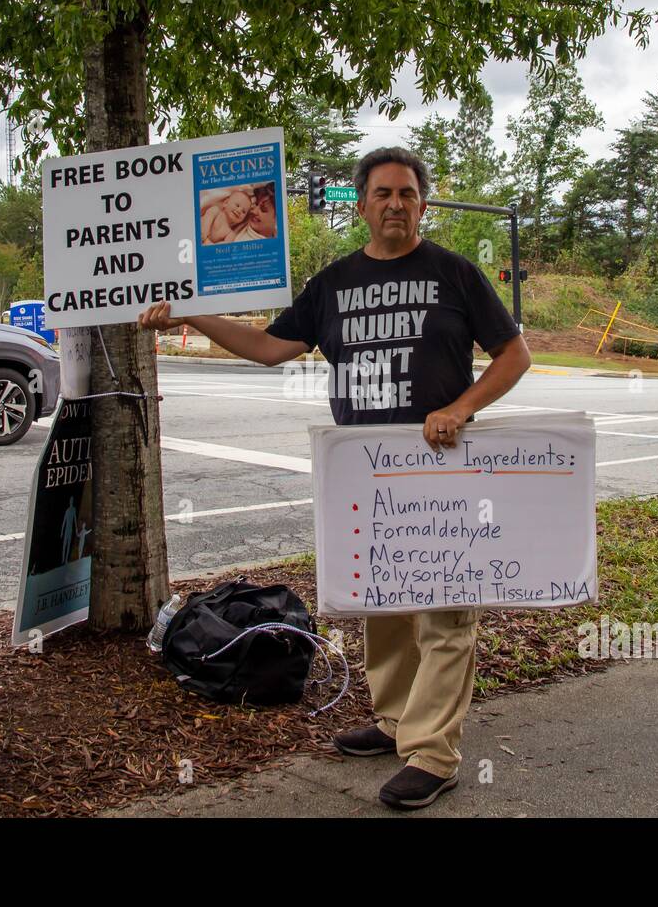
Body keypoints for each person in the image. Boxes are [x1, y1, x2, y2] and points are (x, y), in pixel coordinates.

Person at [138, 147, 531, 810]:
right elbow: (268, 348)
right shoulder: (335, 283)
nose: (396, 204)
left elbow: (514, 354)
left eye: (408, 193)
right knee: (383, 603)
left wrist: (461, 408)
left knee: (442, 611)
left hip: (439, 468)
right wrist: (190, 313)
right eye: (383, 194)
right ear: (364, 204)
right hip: (364, 469)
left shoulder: (455, 274)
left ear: (423, 205)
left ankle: (433, 754)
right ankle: (395, 718)